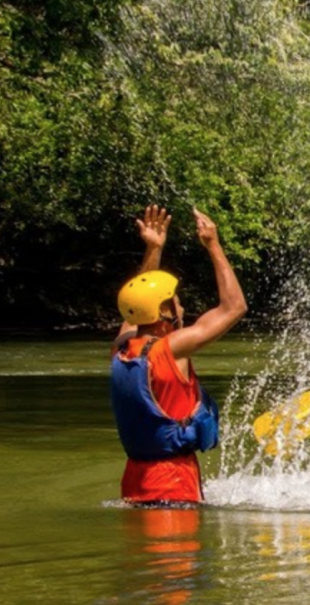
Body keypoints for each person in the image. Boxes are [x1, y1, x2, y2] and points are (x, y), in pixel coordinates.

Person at [111, 206, 247, 506]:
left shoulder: (122, 349)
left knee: (145, 555)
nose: (181, 306)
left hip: (134, 478)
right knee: (173, 556)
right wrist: (213, 245)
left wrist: (153, 249)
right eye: (176, 301)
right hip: (172, 483)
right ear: (164, 311)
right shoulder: (172, 349)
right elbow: (234, 307)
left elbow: (137, 306)